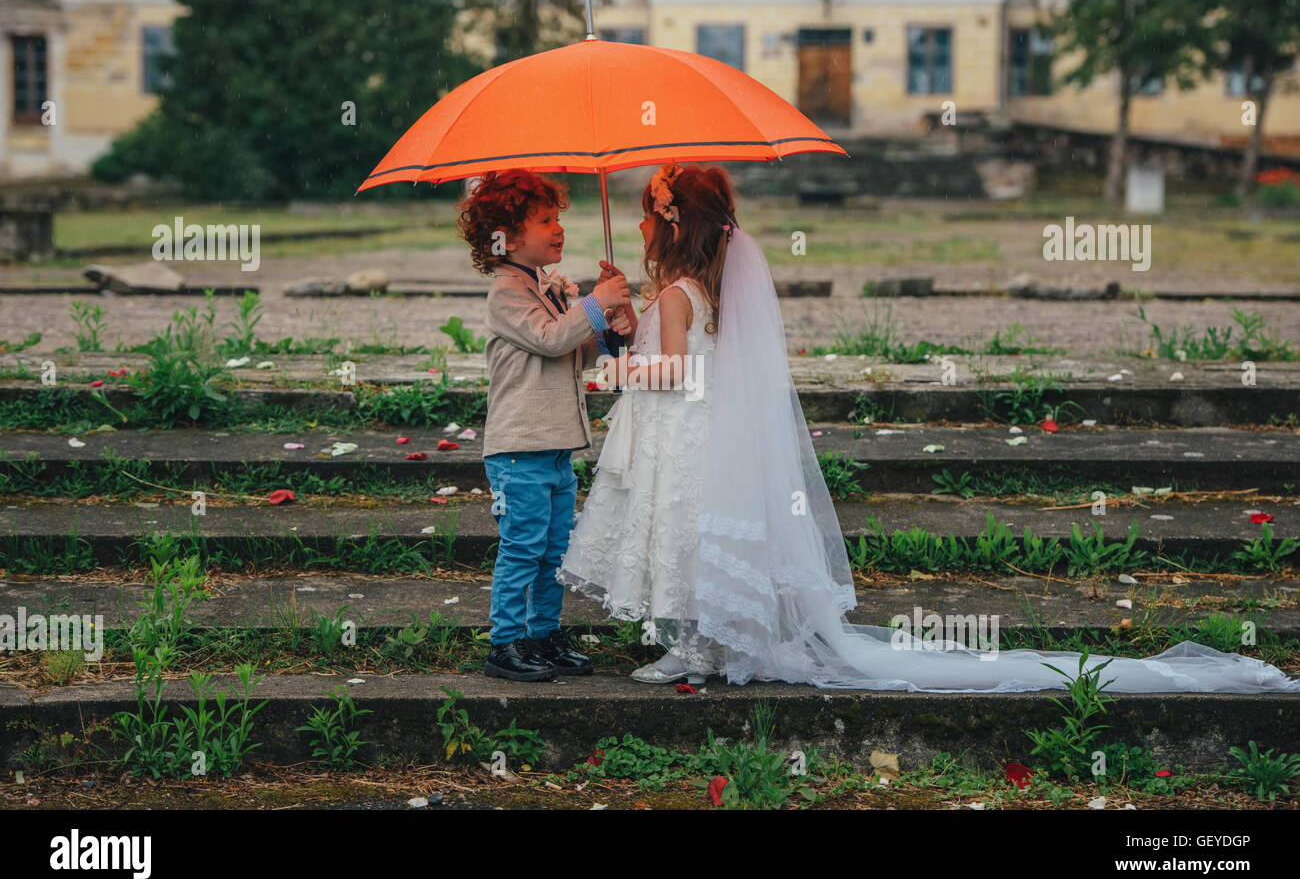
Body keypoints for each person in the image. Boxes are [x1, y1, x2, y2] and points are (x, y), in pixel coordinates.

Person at [559, 162, 1300, 695]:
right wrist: (623, 317)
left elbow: (678, 369)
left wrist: (612, 374)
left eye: (649, 214)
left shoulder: (681, 294)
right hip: (688, 431)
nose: (640, 224)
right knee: (692, 535)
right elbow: (666, 344)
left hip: (682, 428)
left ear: (672, 225)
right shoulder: (689, 288)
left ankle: (697, 647)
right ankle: (703, 645)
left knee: (684, 534)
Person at [457, 168, 632, 681]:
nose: (559, 229)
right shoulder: (507, 293)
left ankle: (543, 633)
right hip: (519, 449)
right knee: (523, 547)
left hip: (554, 449)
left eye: (558, 219)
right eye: (545, 221)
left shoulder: (543, 288)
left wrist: (606, 326)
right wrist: (594, 306)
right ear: (507, 236)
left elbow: (570, 352)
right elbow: (552, 339)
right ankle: (505, 642)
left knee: (557, 549)